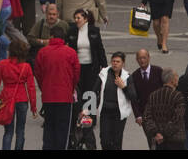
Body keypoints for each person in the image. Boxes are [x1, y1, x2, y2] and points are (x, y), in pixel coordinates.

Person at [66, 8, 107, 146]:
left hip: (91, 66)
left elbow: (100, 49)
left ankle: (91, 117)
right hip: (77, 67)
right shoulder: (72, 31)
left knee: (91, 92)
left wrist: (105, 67)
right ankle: (79, 116)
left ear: (85, 19)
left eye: (79, 18)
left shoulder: (94, 31)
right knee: (79, 91)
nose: (76, 20)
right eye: (75, 18)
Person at [0, 39, 37, 150]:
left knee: (8, 132)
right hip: (22, 99)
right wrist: (33, 107)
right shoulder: (26, 66)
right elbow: (31, 88)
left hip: (7, 99)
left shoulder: (2, 64)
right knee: (20, 131)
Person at [34, 31, 80, 150]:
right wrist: (71, 87)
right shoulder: (71, 52)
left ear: (51, 37)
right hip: (65, 96)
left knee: (49, 126)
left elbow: (38, 73)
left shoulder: (43, 52)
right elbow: (76, 74)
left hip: (48, 96)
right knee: (63, 128)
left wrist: (43, 87)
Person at [96, 51, 136, 150]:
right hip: (105, 111)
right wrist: (88, 110)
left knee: (116, 141)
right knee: (104, 140)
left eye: (118, 61)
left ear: (123, 63)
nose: (115, 63)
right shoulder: (104, 73)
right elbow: (94, 90)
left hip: (119, 113)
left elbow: (133, 96)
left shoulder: (127, 77)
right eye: (113, 61)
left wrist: (123, 87)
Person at [142, 68, 186, 150]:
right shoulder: (178, 96)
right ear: (172, 80)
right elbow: (177, 119)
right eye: (176, 77)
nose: (178, 79)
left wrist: (156, 133)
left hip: (158, 141)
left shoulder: (153, 96)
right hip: (175, 140)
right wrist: (163, 134)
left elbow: (147, 117)